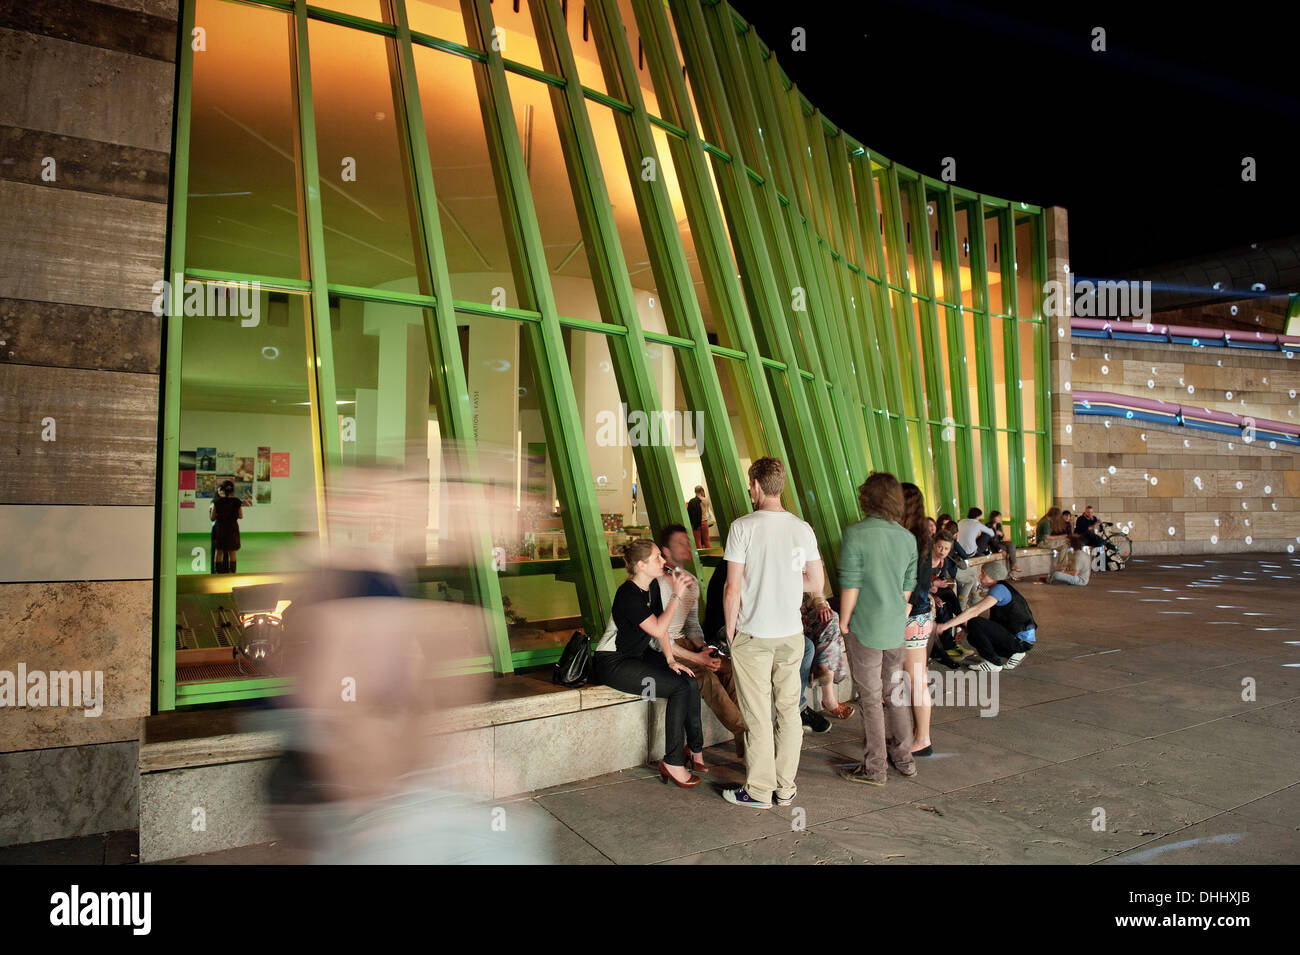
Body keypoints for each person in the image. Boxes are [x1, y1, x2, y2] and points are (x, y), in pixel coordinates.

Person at [721, 457, 824, 810]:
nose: (750, 490)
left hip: (753, 634)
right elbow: (816, 582)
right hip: (791, 635)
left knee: (758, 716)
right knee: (788, 711)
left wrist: (732, 633)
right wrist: (784, 582)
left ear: (757, 486)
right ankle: (786, 787)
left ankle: (759, 791)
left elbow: (732, 589)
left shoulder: (742, 527)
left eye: (750, 485)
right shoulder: (802, 528)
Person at [592, 539, 702, 788]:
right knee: (679, 687)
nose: (663, 561)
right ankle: (673, 762)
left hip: (637, 655)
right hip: (613, 662)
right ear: (640, 565)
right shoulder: (628, 594)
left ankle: (696, 751)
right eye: (656, 558)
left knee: (688, 679)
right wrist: (677, 594)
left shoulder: (651, 587)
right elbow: (658, 627)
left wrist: (671, 659)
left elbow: (662, 629)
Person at [836, 472, 918, 787]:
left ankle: (875, 768)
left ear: (867, 498)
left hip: (865, 628)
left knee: (870, 699)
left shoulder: (856, 534)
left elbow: (851, 583)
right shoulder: (907, 537)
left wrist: (844, 622)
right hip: (896, 627)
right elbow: (906, 588)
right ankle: (905, 760)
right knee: (895, 693)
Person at [654, 524, 745, 765]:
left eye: (688, 541)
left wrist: (705, 649)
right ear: (666, 550)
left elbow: (692, 626)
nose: (688, 546)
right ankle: (748, 732)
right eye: (681, 543)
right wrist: (698, 659)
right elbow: (658, 636)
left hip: (684, 642)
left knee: (728, 668)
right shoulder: (659, 583)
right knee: (703, 675)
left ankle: (746, 750)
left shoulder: (691, 581)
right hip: (662, 647)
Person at [935, 560, 1038, 672]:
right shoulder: (1001, 587)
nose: (980, 576)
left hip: (1020, 641)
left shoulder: (999, 590)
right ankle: (1015, 653)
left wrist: (945, 626)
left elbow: (974, 611)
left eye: (983, 573)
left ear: (993, 576)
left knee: (974, 622)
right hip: (1018, 639)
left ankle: (994, 662)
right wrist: (965, 629)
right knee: (972, 634)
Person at [900, 483, 936, 757]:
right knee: (917, 679)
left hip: (910, 615)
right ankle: (919, 735)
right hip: (921, 615)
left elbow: (910, 585)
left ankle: (922, 738)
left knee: (915, 680)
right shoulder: (924, 537)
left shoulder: (908, 539)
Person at [800, 592, 855, 722]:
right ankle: (821, 670)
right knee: (811, 647)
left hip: (804, 608)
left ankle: (828, 696)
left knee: (830, 617)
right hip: (783, 611)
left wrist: (820, 603)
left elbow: (817, 587)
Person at [210, 479, 243, 573]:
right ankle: (232, 573)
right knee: (232, 552)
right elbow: (240, 516)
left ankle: (219, 572)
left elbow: (212, 517)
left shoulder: (216, 502)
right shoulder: (237, 501)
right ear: (232, 490)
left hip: (220, 529)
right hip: (232, 528)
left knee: (219, 552)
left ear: (222, 489)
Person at [986, 510, 1021, 576]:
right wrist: (1000, 550)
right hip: (993, 546)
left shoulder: (998, 525)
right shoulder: (988, 526)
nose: (1000, 518)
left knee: (1011, 544)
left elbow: (1000, 539)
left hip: (999, 543)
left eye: (1000, 517)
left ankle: (1013, 566)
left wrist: (1001, 535)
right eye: (998, 517)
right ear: (993, 517)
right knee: (1010, 550)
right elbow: (991, 541)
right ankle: (1012, 568)